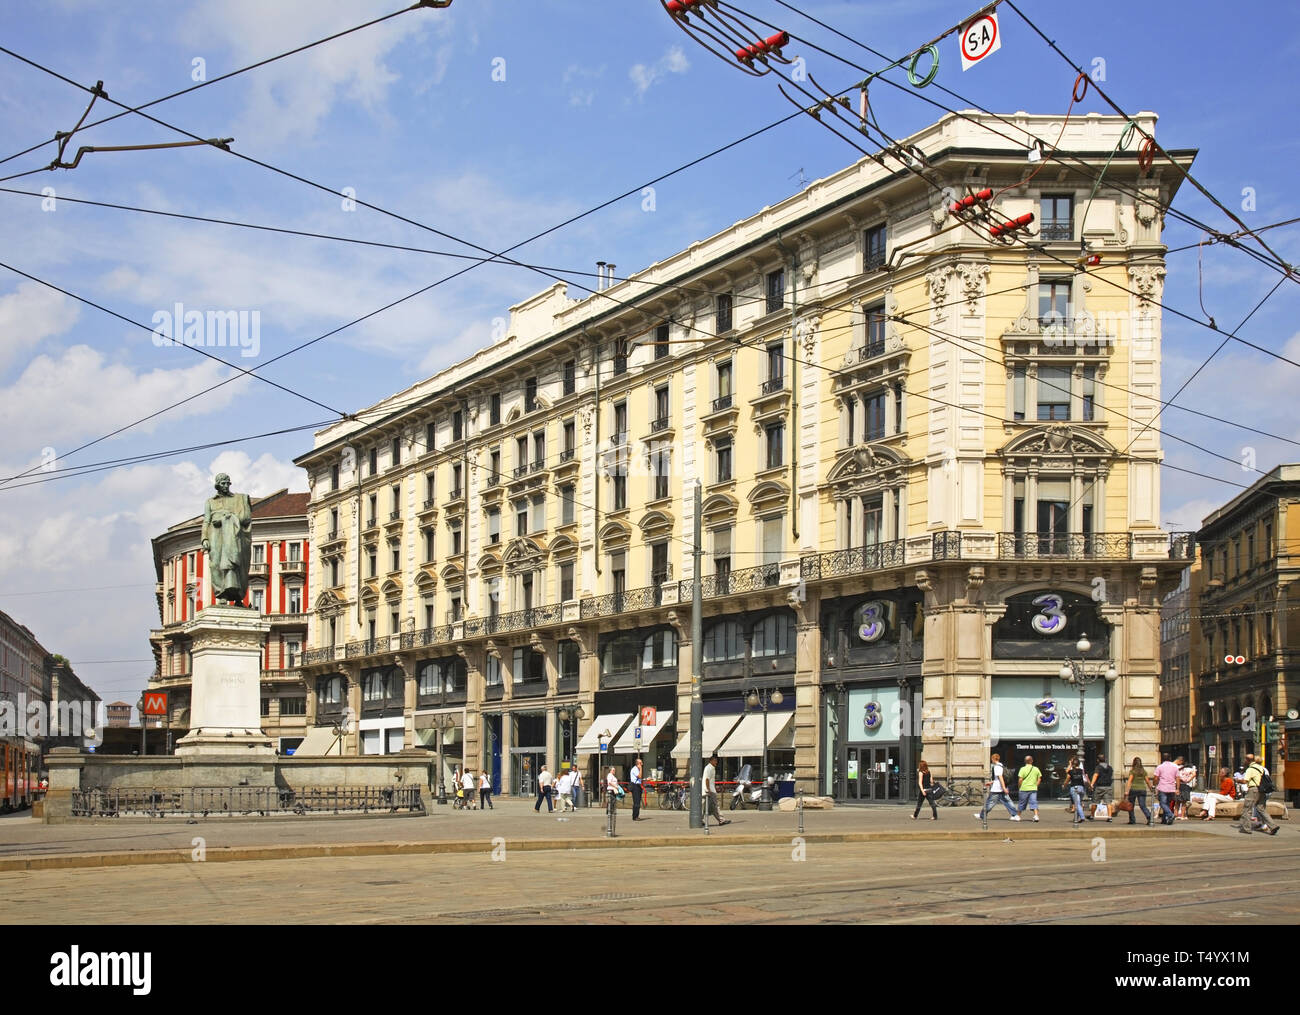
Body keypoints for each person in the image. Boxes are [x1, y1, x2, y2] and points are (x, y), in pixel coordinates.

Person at [1239, 753, 1279, 836]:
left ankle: (1246, 828)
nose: (1244, 761)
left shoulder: (1250, 769)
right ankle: (1273, 826)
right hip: (1262, 790)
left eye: (1245, 759)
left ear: (1247, 760)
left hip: (1253, 790)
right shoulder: (1261, 768)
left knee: (1247, 808)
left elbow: (1245, 781)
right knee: (1261, 808)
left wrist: (1237, 780)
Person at [976, 753, 1019, 821]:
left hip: (997, 789)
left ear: (993, 759)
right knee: (1008, 802)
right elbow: (998, 779)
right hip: (1001, 788)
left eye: (991, 759)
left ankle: (982, 815)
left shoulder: (997, 767)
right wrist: (991, 782)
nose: (991, 760)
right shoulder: (1001, 765)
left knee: (989, 803)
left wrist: (1004, 788)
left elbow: (1001, 778)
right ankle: (1016, 815)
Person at [702, 753, 731, 826]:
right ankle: (721, 820)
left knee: (708, 806)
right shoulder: (709, 768)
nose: (716, 762)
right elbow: (707, 779)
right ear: (711, 761)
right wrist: (708, 789)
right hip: (709, 790)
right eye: (715, 761)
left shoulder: (711, 768)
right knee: (713, 805)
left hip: (708, 790)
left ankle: (720, 820)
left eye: (716, 761)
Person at [1152, 754, 1180, 825]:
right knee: (1167, 804)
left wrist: (1154, 785)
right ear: (1170, 758)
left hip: (1163, 788)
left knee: (1162, 803)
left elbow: (1155, 777)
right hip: (1171, 788)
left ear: (1162, 759)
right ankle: (1164, 820)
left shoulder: (1160, 767)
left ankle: (1170, 814)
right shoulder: (1175, 767)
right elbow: (1177, 778)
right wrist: (1177, 788)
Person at [1125, 758, 1153, 826]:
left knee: (1131, 805)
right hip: (1142, 789)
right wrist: (1151, 789)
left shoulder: (1133, 771)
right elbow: (1147, 781)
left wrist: (1126, 791)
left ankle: (1132, 820)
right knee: (1142, 805)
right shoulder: (1143, 771)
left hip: (1133, 789)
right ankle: (1149, 817)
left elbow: (1129, 781)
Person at [1016, 754, 1043, 822]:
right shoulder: (1036, 769)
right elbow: (1039, 778)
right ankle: (1036, 815)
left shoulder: (1022, 769)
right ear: (1032, 761)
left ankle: (1018, 816)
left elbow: (1020, 779)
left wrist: (1019, 786)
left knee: (1021, 802)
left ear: (1025, 761)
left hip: (1024, 788)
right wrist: (1036, 785)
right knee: (1034, 802)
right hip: (1033, 788)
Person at [1065, 756, 1091, 824]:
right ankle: (1076, 818)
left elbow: (1066, 772)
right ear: (1079, 764)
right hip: (1081, 788)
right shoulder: (1081, 771)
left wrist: (1064, 785)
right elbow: (1086, 778)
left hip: (1074, 788)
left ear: (1073, 764)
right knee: (1079, 803)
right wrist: (1090, 786)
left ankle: (1082, 817)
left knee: (1077, 804)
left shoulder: (1071, 771)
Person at [1090, 756, 1114, 821]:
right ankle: (1109, 817)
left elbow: (1096, 775)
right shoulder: (1110, 767)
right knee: (1108, 802)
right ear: (1105, 759)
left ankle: (1092, 816)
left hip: (1099, 786)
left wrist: (1092, 784)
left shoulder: (1098, 767)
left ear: (1098, 760)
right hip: (1108, 786)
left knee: (1095, 802)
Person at [630, 756, 644, 821]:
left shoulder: (637, 769)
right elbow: (639, 776)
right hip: (635, 786)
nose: (642, 764)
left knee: (638, 801)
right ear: (638, 763)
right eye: (641, 763)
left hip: (638, 786)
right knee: (636, 802)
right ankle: (635, 816)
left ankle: (636, 815)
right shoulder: (635, 769)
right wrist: (641, 768)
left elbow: (640, 778)